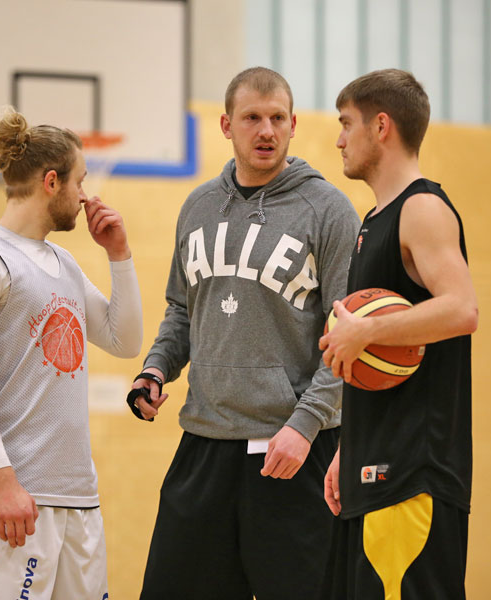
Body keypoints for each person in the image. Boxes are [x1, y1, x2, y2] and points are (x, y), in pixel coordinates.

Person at [126, 67, 361, 600]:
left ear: (295, 124)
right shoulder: (199, 207)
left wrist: (305, 424)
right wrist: (156, 368)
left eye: (278, 118)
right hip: (205, 444)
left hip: (293, 450)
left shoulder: (327, 210)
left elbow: (350, 335)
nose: (266, 130)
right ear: (226, 125)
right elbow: (182, 310)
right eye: (253, 118)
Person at [0, 108, 142, 599]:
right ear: (52, 182)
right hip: (9, 500)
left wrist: (119, 254)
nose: (86, 196)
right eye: (80, 182)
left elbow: (125, 339)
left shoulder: (64, 263)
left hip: (78, 503)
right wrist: (2, 482)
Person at [319, 69, 479, 599]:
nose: (339, 138)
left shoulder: (422, 208)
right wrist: (349, 444)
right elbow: (381, 363)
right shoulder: (375, 219)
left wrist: (364, 332)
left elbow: (461, 308)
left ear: (381, 126)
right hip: (373, 465)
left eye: (347, 124)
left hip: (413, 472)